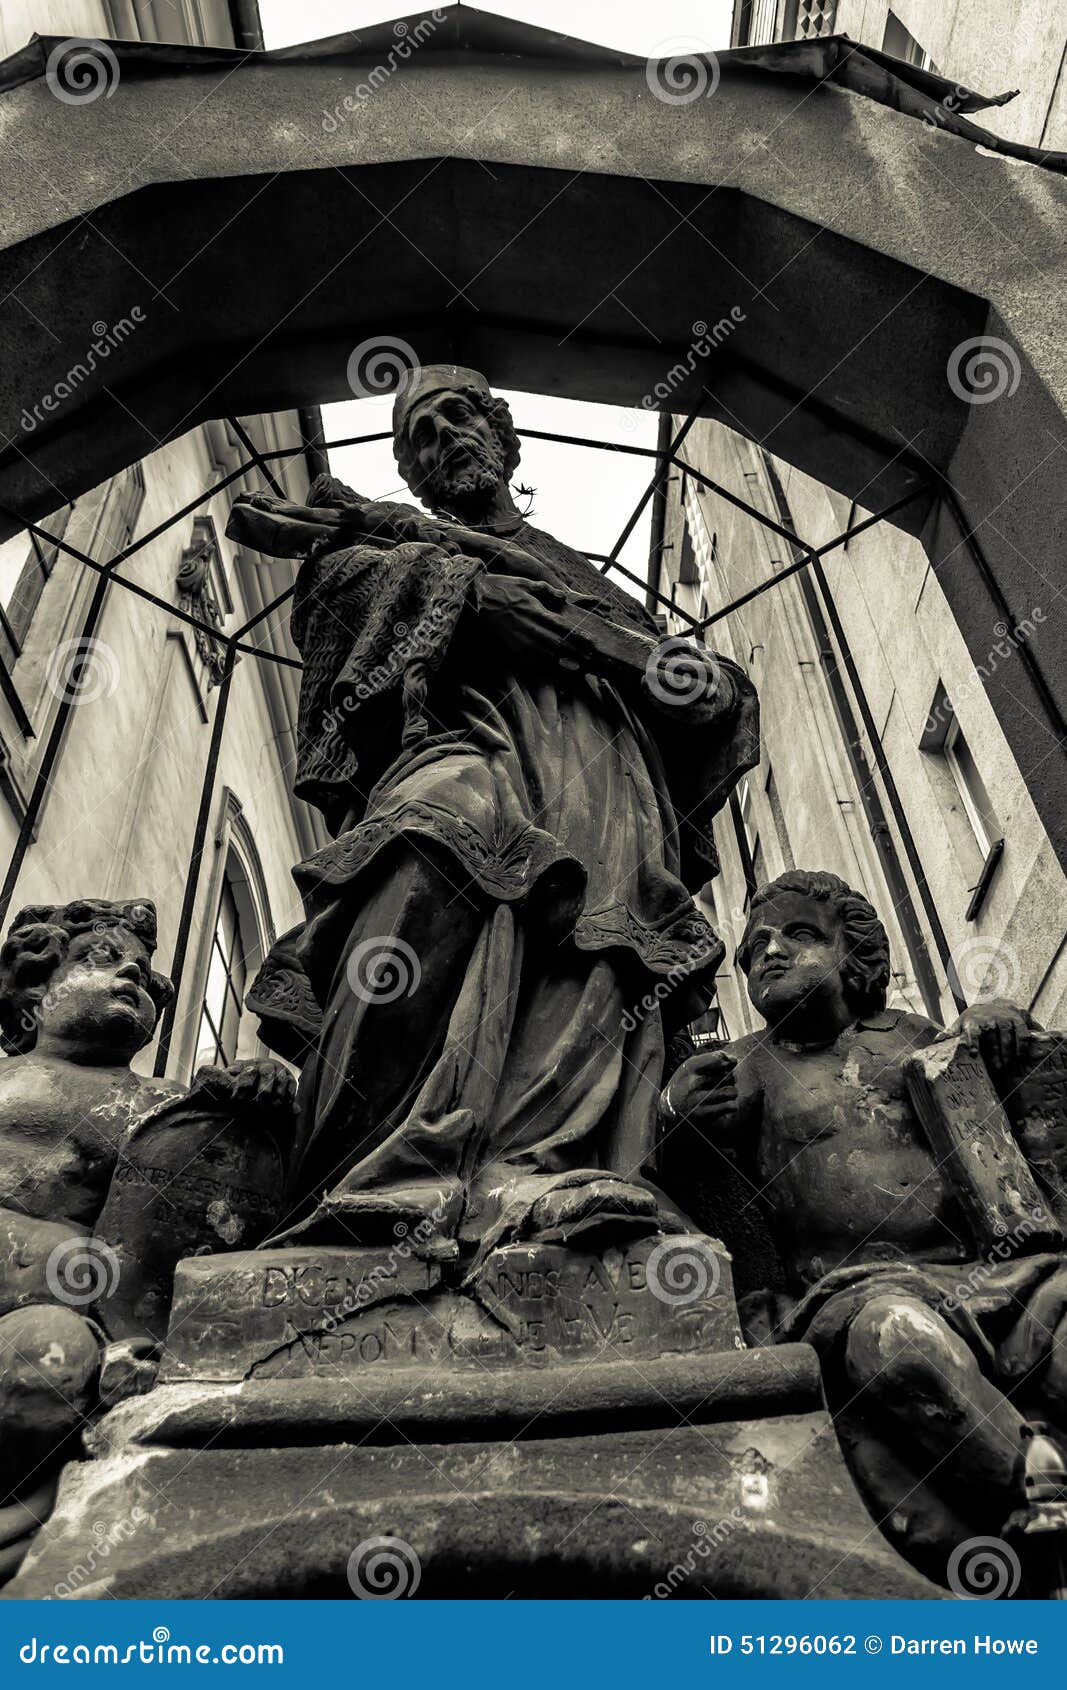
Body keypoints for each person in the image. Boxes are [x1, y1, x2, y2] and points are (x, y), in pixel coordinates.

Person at [228, 364, 759, 1257]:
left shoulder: (572, 569)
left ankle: (540, 1168)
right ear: (412, 473)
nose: (444, 443)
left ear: (502, 436)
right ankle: (371, 1174)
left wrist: (582, 635)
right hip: (457, 745)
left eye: (457, 419)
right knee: (424, 856)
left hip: (597, 767)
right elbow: (334, 623)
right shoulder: (375, 545)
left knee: (595, 949)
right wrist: (468, 593)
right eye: (420, 438)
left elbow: (705, 691)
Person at [663, 868, 1067, 1574]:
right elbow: (684, 1178)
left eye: (795, 934)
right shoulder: (746, 1067)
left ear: (853, 953)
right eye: (753, 947)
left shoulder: (909, 1035)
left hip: (998, 1269)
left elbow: (998, 1092)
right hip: (858, 1290)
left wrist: (998, 1020)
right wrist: (675, 1115)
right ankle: (1026, 1475)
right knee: (899, 1346)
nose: (769, 952)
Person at [0, 898, 294, 1582]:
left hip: (55, 1318)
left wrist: (270, 1103)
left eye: (144, 974)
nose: (131, 974)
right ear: (33, 993)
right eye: (100, 960)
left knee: (50, 1357)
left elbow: (224, 1189)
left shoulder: (159, 1107)